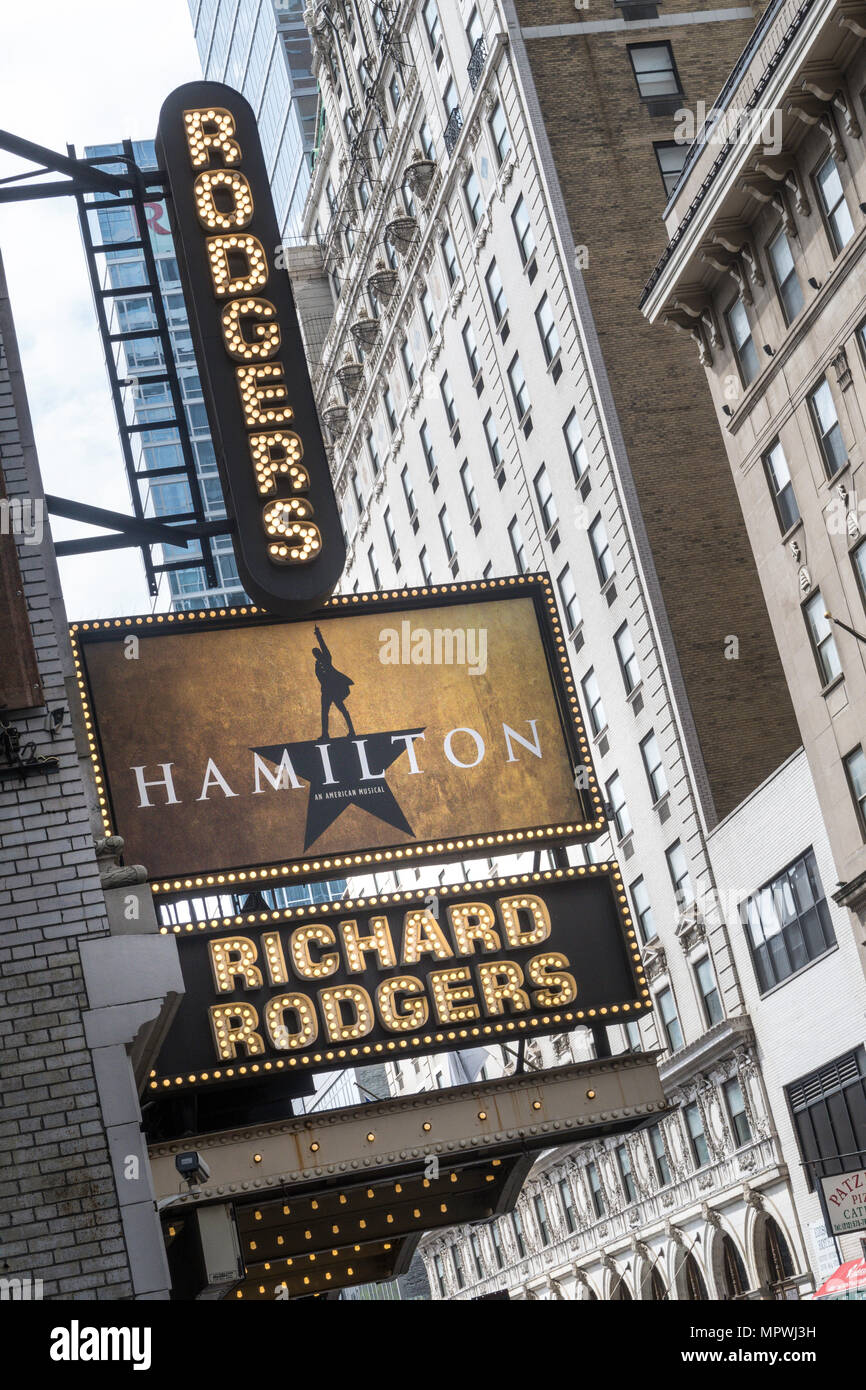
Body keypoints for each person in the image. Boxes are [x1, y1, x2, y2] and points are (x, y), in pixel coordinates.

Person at [312, 624, 355, 739]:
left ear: (320, 652)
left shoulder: (327, 658)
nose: (317, 654)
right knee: (324, 712)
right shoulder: (317, 666)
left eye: (317, 652)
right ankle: (325, 734)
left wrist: (318, 634)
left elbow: (323, 644)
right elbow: (320, 678)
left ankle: (352, 730)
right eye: (315, 654)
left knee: (342, 709)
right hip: (326, 691)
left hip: (334, 689)